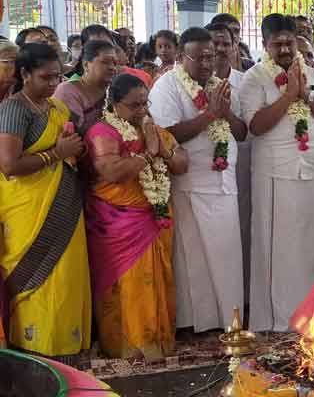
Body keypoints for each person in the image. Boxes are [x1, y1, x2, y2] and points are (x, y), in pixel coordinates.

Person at [239, 13, 314, 332]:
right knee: (277, 249)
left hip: (309, 170)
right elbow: (254, 125)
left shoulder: (310, 72)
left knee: (308, 247)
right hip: (274, 175)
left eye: (289, 42)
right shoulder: (254, 78)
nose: (284, 49)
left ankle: (307, 316)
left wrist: (306, 95)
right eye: (277, 43)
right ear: (265, 45)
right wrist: (288, 96)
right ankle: (276, 323)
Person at [149, 26, 248, 333]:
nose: (207, 63)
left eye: (212, 56)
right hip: (190, 185)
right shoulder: (167, 86)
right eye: (200, 57)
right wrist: (209, 115)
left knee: (226, 255)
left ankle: (228, 322)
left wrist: (224, 112)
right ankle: (196, 324)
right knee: (193, 259)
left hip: (223, 183)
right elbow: (167, 135)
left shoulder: (220, 84)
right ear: (181, 57)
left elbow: (242, 132)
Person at [84, 73, 189, 359]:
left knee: (158, 279)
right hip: (117, 222)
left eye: (145, 103)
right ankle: (127, 346)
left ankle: (159, 341)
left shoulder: (152, 128)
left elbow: (181, 164)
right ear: (115, 104)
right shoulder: (102, 132)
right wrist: (146, 154)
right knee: (127, 284)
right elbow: (113, 173)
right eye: (134, 105)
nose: (142, 110)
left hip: (154, 218)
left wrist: (162, 150)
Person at [0, 43, 90, 357]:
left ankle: (64, 349)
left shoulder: (57, 109)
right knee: (35, 279)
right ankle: (32, 349)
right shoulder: (14, 109)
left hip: (64, 204)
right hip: (28, 209)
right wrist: (56, 153)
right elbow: (9, 166)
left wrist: (77, 148)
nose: (54, 84)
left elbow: (72, 149)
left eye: (57, 77)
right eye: (45, 78)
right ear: (24, 74)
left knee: (66, 279)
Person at [207, 21, 253, 301]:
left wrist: (225, 113)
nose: (221, 49)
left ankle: (243, 298)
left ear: (235, 46)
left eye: (226, 43)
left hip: (242, 168)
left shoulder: (245, 81)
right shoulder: (187, 81)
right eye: (215, 43)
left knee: (243, 229)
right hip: (203, 174)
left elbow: (246, 129)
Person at [53, 40, 119, 136]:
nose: (112, 67)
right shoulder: (68, 91)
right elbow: (74, 135)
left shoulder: (113, 90)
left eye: (115, 63)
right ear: (86, 65)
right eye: (105, 62)